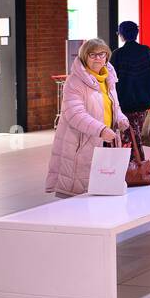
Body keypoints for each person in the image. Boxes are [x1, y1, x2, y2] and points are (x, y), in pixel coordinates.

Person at [45, 38, 130, 197]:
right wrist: (101, 129)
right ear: (85, 57)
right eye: (93, 54)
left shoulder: (108, 78)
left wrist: (121, 118)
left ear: (107, 56)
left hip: (105, 140)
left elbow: (113, 106)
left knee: (103, 188)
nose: (98, 58)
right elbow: (74, 113)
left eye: (102, 54)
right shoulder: (74, 81)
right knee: (79, 195)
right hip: (81, 143)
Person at [109, 20, 150, 137]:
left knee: (128, 136)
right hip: (144, 101)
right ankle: (138, 154)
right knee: (139, 135)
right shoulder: (146, 51)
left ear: (121, 35)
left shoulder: (117, 54)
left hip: (124, 103)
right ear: (136, 33)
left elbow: (110, 78)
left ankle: (134, 155)